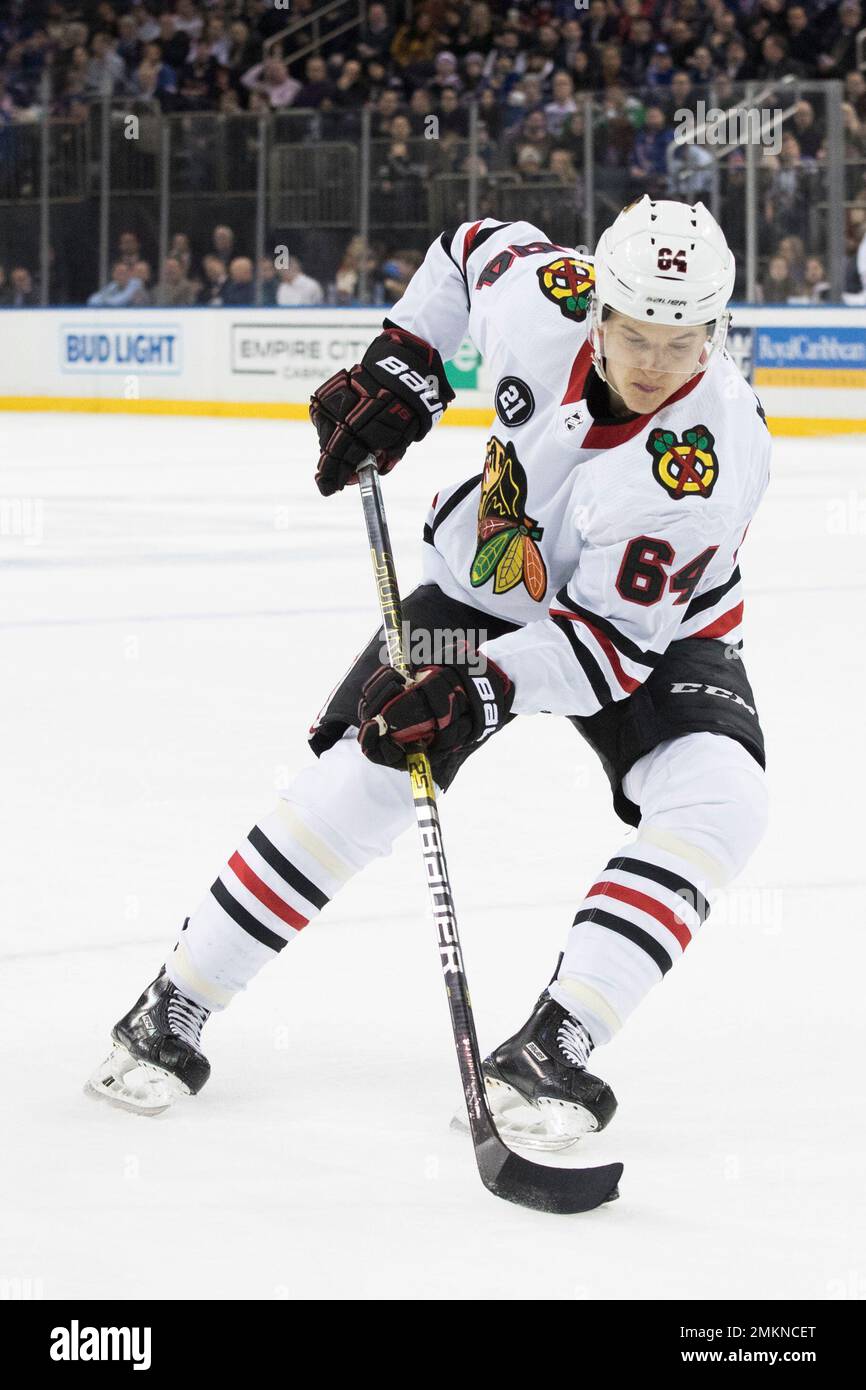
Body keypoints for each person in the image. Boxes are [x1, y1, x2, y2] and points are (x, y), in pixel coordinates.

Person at [89, 198, 771, 1155]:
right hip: (485, 586)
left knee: (719, 801)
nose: (654, 364)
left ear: (716, 332)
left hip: (647, 632)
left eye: (681, 341)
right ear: (596, 309)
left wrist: (481, 687)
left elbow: (607, 648)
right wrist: (402, 360)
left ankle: (556, 1042)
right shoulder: (545, 295)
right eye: (632, 334)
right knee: (374, 759)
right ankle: (177, 1001)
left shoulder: (710, 460)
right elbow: (465, 249)